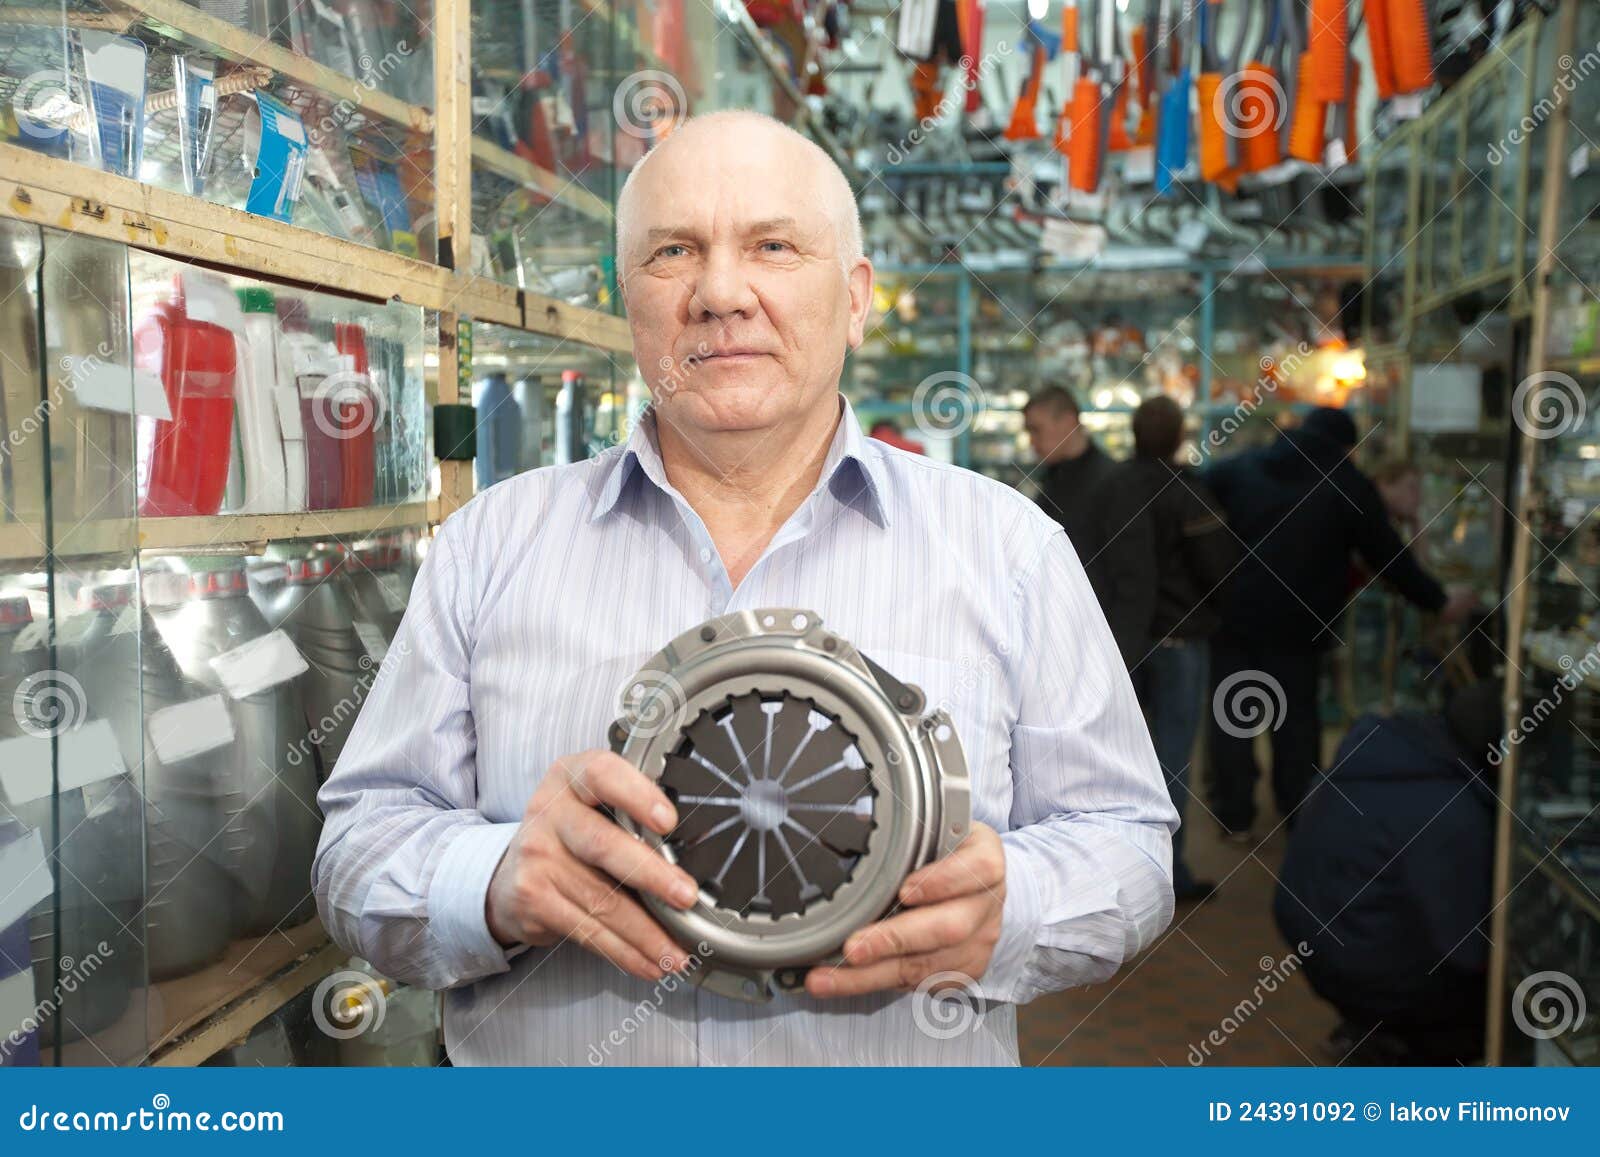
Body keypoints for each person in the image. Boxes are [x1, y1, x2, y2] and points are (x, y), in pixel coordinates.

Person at [313, 111, 1176, 1066]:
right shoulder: (490, 546)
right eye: (673, 251)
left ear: (856, 299)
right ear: (628, 301)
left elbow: (1131, 844)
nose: (721, 294)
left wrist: (1013, 907)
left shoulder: (1010, 550)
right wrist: (492, 879)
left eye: (773, 246)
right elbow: (357, 848)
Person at [1200, 407, 1474, 839]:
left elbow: (1192, 501)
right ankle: (1297, 817)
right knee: (1295, 724)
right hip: (1299, 626)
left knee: (1232, 717)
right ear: (1347, 447)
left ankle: (1235, 818)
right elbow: (1388, 556)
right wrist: (1436, 600)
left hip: (1234, 615)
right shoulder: (1347, 483)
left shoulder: (1241, 469)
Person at [1273, 680, 1499, 1065]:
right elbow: (1465, 948)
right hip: (1367, 964)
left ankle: (1370, 1025)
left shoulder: (1378, 750)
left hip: (1312, 943)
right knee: (1490, 997)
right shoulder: (1455, 810)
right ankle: (1404, 1045)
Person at [1093, 397, 1237, 903]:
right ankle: (1167, 871)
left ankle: (1116, 868)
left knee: (1116, 759)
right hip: (1179, 640)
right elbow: (1219, 568)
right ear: (1179, 437)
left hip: (1122, 643)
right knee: (1173, 760)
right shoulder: (1189, 494)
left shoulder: (1110, 486)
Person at [1023, 386, 1116, 556]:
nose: (1031, 441)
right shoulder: (1051, 477)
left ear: (1068, 422)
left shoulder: (1113, 482)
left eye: (1036, 430)